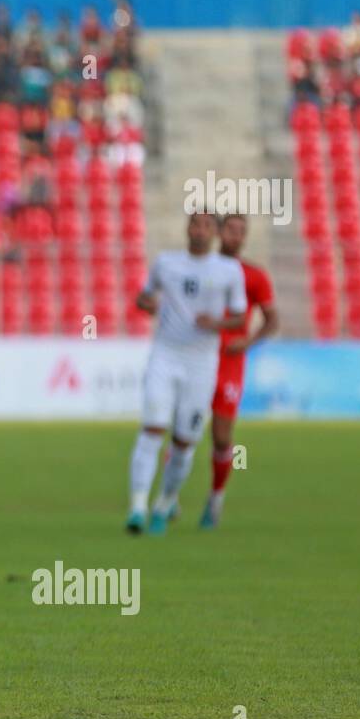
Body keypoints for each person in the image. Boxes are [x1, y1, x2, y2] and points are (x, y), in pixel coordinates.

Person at [127, 211, 246, 535]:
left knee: (185, 440)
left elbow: (239, 317)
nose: (200, 230)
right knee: (152, 428)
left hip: (201, 363)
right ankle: (137, 507)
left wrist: (217, 323)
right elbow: (144, 297)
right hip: (165, 355)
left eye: (207, 225)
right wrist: (147, 302)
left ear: (215, 233)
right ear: (187, 228)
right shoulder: (166, 263)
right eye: (195, 223)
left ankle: (164, 504)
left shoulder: (229, 270)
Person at [201, 214, 278, 529]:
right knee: (183, 430)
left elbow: (272, 320)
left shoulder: (254, 276)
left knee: (221, 437)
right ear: (220, 233)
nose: (237, 236)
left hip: (230, 363)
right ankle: (169, 497)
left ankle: (216, 497)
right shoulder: (201, 267)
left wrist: (248, 341)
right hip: (197, 358)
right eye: (231, 230)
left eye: (242, 231)